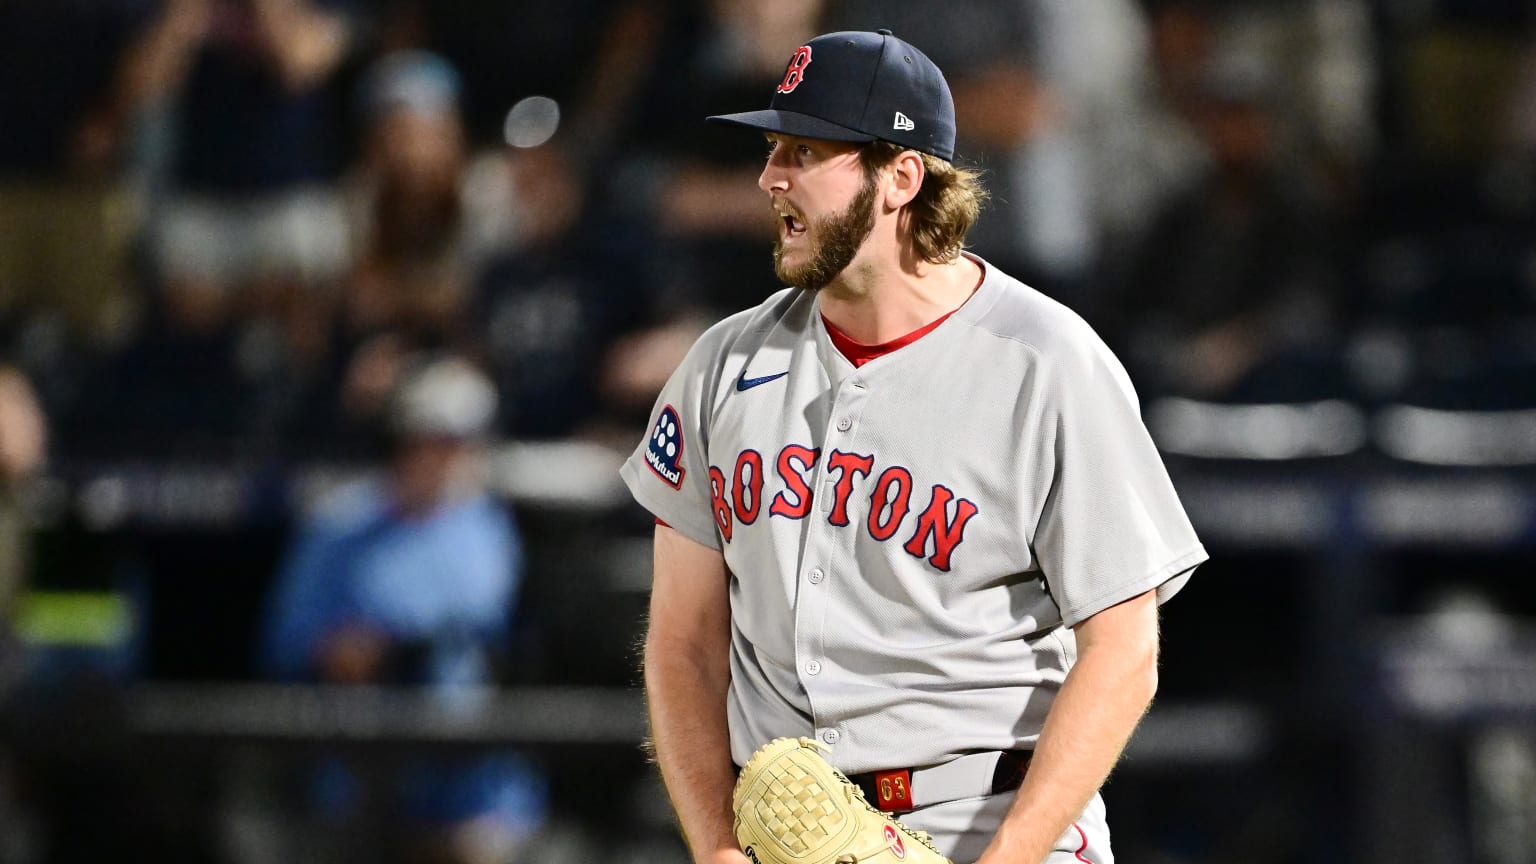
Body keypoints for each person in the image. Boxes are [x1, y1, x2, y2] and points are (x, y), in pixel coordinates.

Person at [619, 30, 1208, 864]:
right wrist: (715, 843)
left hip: (991, 816)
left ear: (901, 177)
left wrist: (1008, 857)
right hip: (790, 838)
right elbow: (682, 641)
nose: (770, 178)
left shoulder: (1045, 363)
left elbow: (1123, 651)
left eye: (805, 151)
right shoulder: (723, 365)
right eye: (772, 149)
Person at [262, 355, 546, 864]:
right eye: (432, 438)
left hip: (466, 769)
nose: (447, 455)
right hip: (358, 763)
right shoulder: (339, 527)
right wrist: (347, 649)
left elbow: (497, 636)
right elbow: (287, 642)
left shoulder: (488, 528)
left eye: (462, 441)